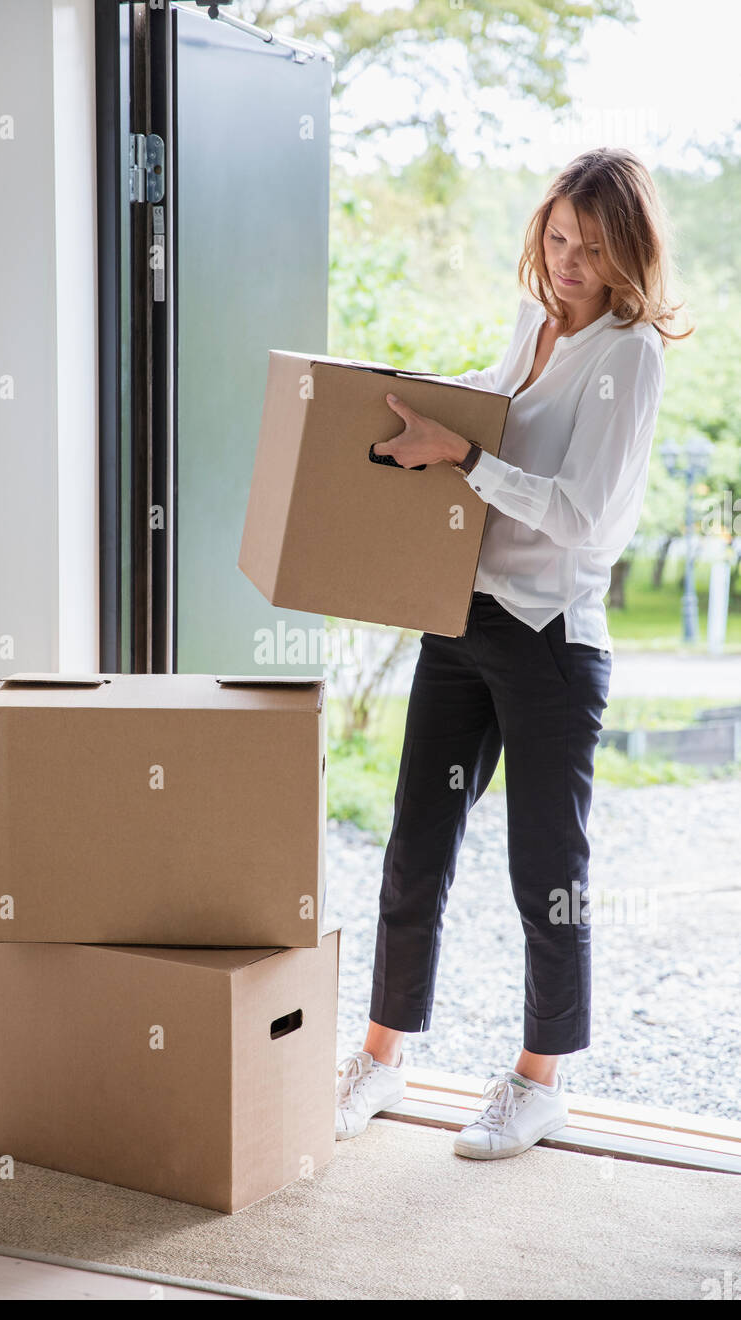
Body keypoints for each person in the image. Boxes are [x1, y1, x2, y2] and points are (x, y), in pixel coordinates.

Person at [335, 147, 692, 1159]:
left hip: (548, 640)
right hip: (463, 615)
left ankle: (537, 1083)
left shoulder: (628, 355)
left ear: (626, 248)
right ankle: (379, 1055)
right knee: (413, 849)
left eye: (589, 245)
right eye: (557, 236)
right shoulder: (533, 323)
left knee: (544, 868)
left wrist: (467, 458)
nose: (567, 260)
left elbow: (585, 518)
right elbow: (489, 418)